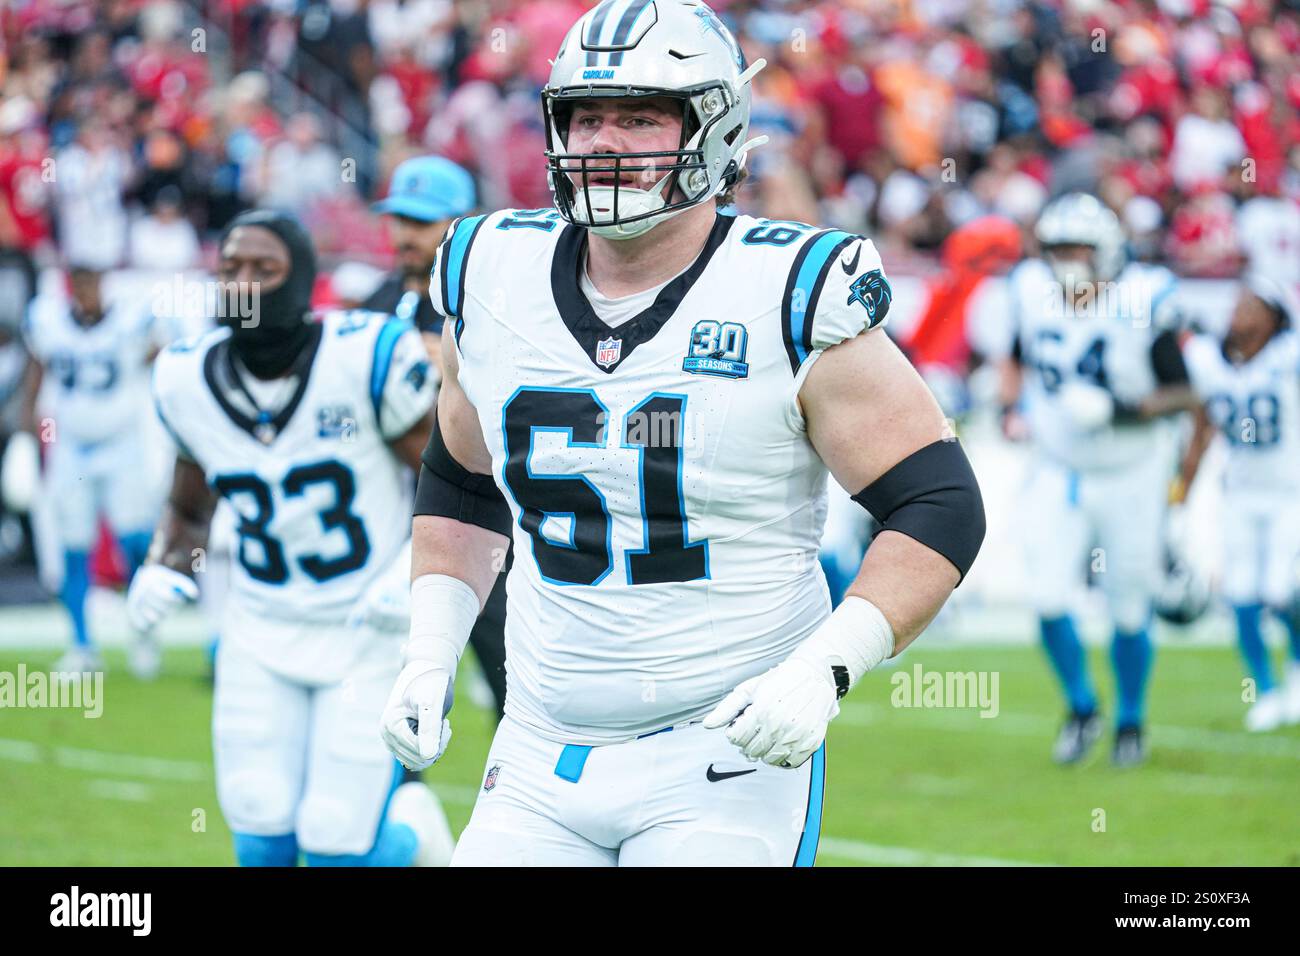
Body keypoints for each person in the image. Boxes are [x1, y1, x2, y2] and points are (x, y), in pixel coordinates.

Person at [380, 0, 985, 867]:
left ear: (715, 125)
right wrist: (430, 653)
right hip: (539, 744)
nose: (604, 141)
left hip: (727, 749)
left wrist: (827, 667)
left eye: (639, 116)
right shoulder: (489, 270)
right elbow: (462, 484)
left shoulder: (789, 289)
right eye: (585, 116)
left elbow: (938, 502)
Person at [126, 210, 453, 866]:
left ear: (300, 282)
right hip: (260, 627)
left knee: (336, 834)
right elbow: (190, 505)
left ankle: (413, 838)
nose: (243, 284)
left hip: (366, 625)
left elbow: (446, 483)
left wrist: (411, 574)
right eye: (230, 269)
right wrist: (166, 565)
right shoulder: (186, 377)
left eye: (264, 270)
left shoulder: (364, 358)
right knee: (258, 822)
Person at [997, 192, 1198, 767]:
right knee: (1046, 594)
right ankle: (1083, 708)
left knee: (1129, 605)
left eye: (1079, 249)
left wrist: (1119, 409)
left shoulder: (1144, 299)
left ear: (1106, 252)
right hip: (1058, 467)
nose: (1067, 261)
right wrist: (1010, 403)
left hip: (1132, 468)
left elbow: (1184, 392)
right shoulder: (1030, 292)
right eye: (1058, 248)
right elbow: (1014, 355)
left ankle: (1131, 720)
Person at [366, 154, 511, 716]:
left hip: (483, 524)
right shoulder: (379, 304)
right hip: (394, 522)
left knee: (513, 683)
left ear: (462, 221)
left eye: (421, 222)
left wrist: (447, 367)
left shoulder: (489, 303)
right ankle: (399, 801)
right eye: (399, 219)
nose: (405, 234)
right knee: (394, 693)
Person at [20, 264, 165, 676]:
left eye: (90, 283)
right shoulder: (49, 322)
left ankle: (143, 634)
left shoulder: (131, 321)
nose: (84, 292)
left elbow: (161, 356)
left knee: (134, 543)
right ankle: (82, 644)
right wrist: (30, 427)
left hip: (122, 445)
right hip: (72, 448)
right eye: (77, 284)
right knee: (72, 546)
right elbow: (36, 373)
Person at [1179, 276, 1300, 731]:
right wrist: (1181, 497)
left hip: (1290, 492)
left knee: (1282, 590)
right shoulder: (1209, 361)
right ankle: (1266, 691)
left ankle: (1296, 667)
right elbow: (1201, 431)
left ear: (1273, 317)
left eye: (1251, 305)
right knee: (1242, 594)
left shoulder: (1290, 358)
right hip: (1240, 495)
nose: (1238, 312)